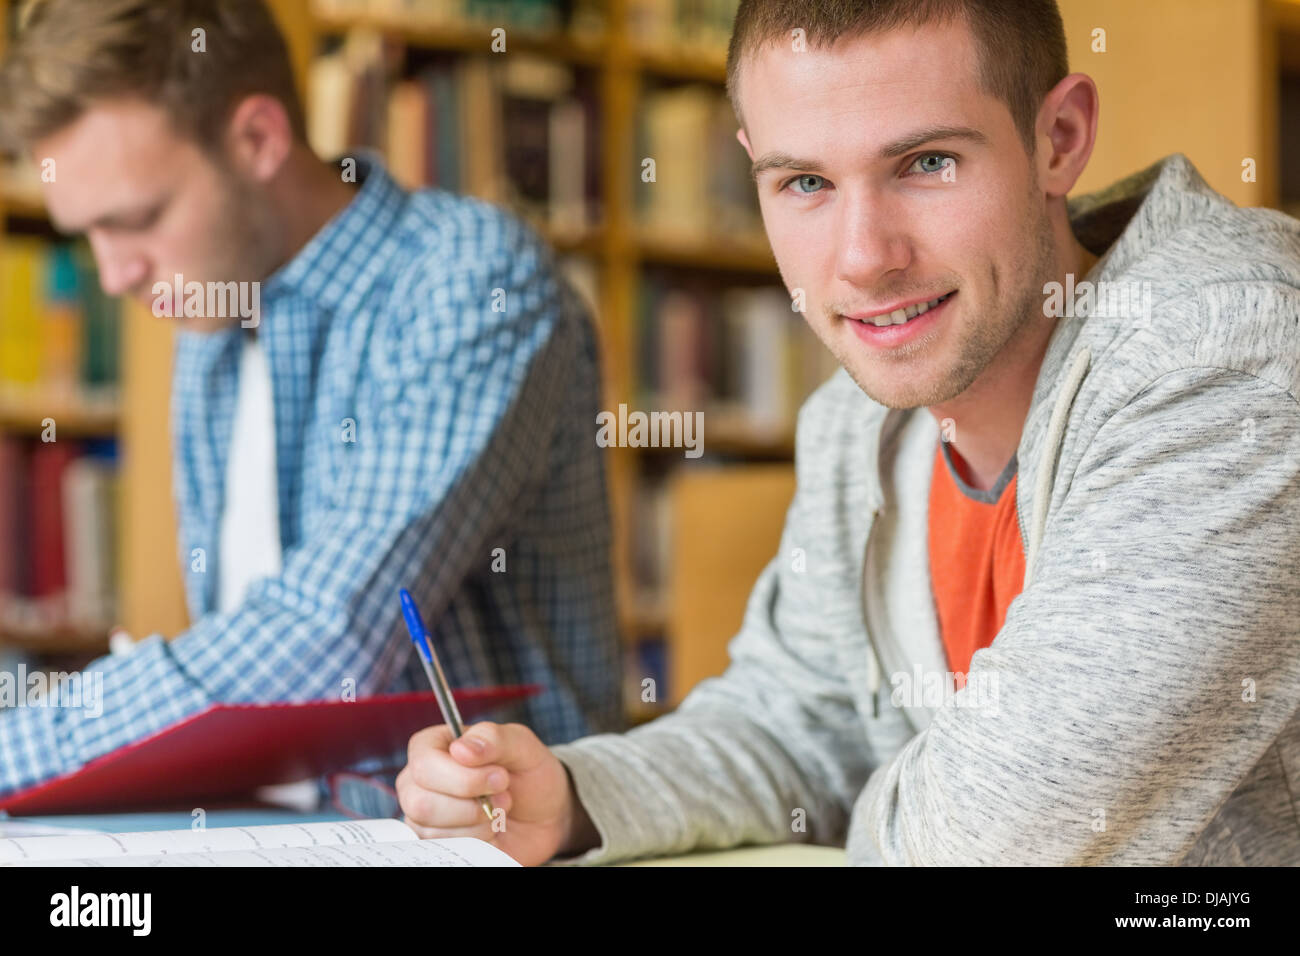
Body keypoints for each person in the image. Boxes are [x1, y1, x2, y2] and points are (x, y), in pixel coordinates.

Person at [398, 0, 1300, 865]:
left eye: (928, 164)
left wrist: (879, 804)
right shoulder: (856, 415)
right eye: (806, 183)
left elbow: (1000, 835)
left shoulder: (1226, 347)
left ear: (1057, 139)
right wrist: (571, 792)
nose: (865, 258)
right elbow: (796, 721)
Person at [0, 0, 622, 798]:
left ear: (258, 138)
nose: (116, 274)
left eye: (139, 219)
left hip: (477, 840)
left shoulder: (470, 280)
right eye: (87, 233)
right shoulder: (212, 321)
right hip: (262, 825)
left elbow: (323, 638)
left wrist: (22, 747)